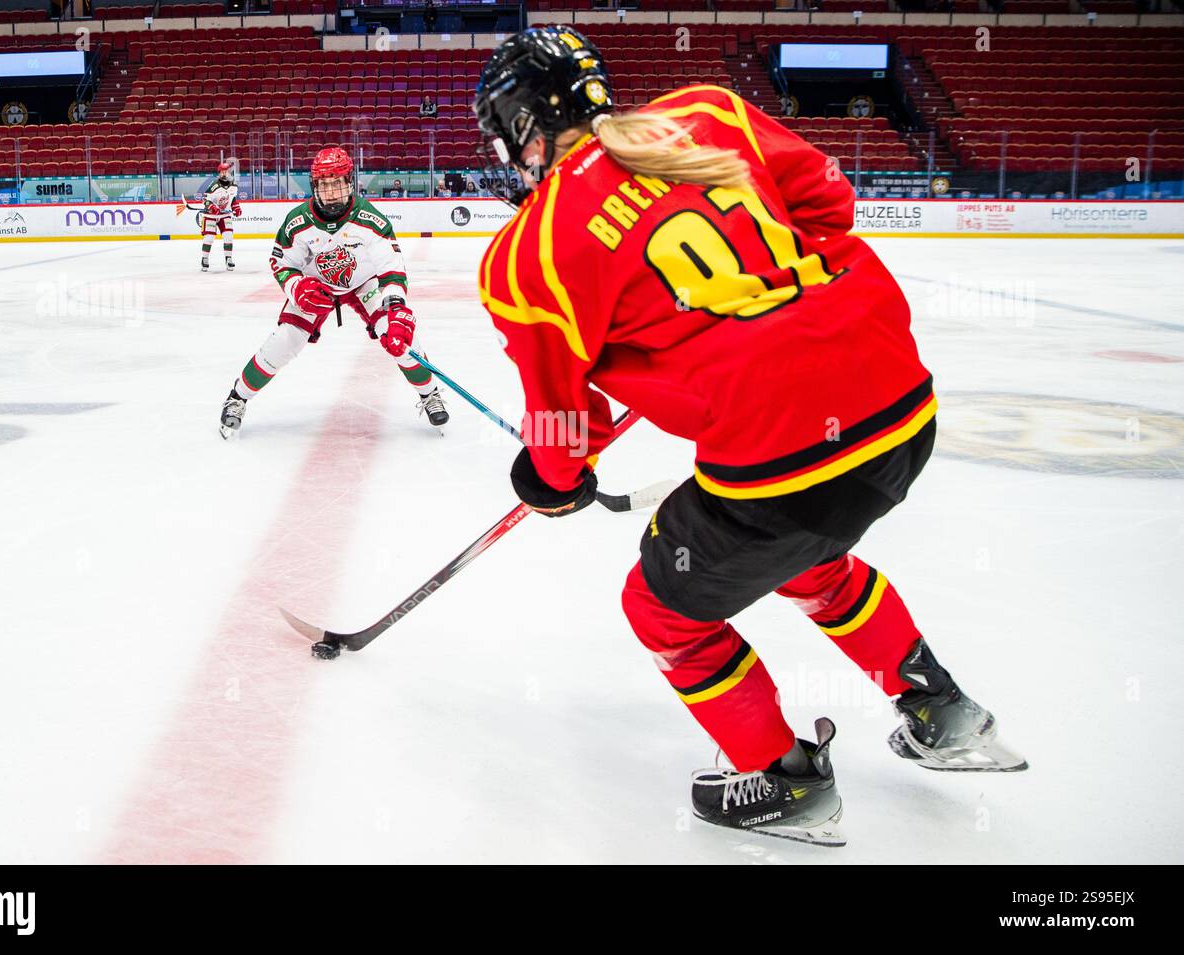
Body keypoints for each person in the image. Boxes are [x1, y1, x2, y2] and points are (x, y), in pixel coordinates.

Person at [473, 27, 1025, 848]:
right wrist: (767, 309)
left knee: (662, 609)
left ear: (524, 126)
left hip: (787, 459)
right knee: (810, 561)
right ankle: (940, 708)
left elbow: (563, 428)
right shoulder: (704, 111)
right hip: (903, 407)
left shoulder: (529, 254)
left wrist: (552, 482)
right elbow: (829, 207)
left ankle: (784, 780)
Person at [219, 147, 448, 439]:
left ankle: (429, 394)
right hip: (317, 288)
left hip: (364, 283)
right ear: (314, 186)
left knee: (399, 333)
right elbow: (281, 262)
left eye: (337, 182)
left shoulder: (369, 219)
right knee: (284, 340)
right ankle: (237, 398)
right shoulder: (298, 222)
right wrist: (297, 287)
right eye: (324, 184)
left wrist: (397, 306)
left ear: (349, 182)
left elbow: (391, 265)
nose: (331, 191)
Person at [200, 160, 241, 272]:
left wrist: (236, 207)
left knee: (228, 235)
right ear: (219, 173)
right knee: (209, 238)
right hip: (210, 216)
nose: (224, 174)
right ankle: (205, 259)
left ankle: (228, 259)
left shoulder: (234, 186)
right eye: (222, 172)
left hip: (224, 215)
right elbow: (205, 200)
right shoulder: (214, 186)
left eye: (226, 171)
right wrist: (212, 207)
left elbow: (232, 199)